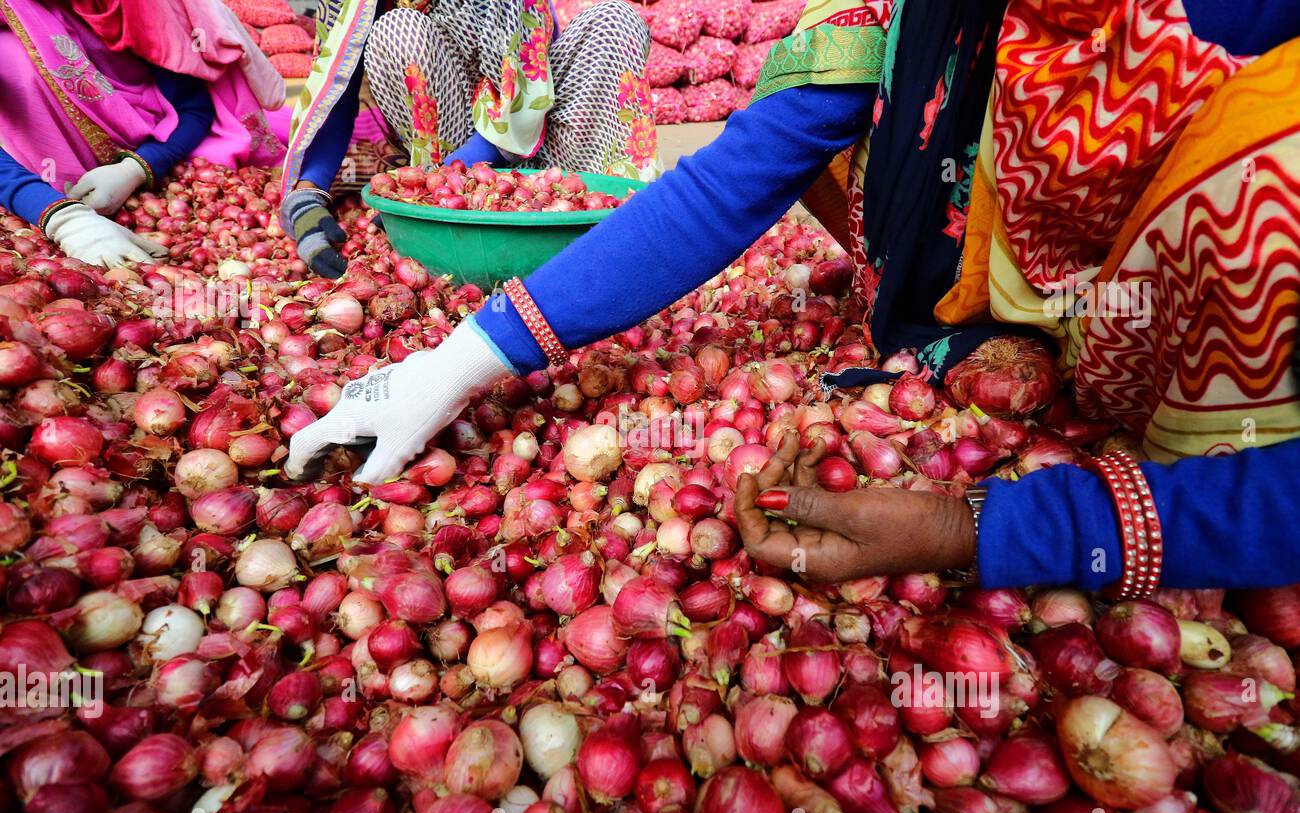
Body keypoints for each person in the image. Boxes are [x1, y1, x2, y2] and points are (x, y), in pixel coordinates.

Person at [288, 0, 1300, 592]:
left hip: (1208, 387)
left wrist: (988, 529)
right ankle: (960, 320)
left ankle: (1185, 445)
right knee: (837, 101)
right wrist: (459, 360)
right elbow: (738, 174)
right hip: (987, 341)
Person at [280, 0, 660, 279]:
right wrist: (307, 194)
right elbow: (337, 82)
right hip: (456, 153)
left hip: (550, 133)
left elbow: (531, 78)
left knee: (617, 20)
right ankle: (448, 230)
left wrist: (441, 178)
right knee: (396, 30)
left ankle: (606, 230)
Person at [0, 0, 286, 268]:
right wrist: (64, 219)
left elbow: (193, 106)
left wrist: (136, 168)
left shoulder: (140, 7)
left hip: (160, 170)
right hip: (30, 191)